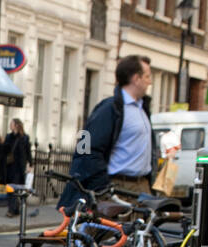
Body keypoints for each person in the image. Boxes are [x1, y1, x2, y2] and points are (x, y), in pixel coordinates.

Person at [58, 55, 158, 212]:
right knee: (106, 235)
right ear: (135, 78)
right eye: (147, 76)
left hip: (141, 188)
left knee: (141, 235)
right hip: (117, 186)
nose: (150, 82)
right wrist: (102, 184)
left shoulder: (142, 109)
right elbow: (85, 147)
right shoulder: (109, 108)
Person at [2, 118, 30, 216]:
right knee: (10, 189)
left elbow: (28, 152)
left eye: (12, 123)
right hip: (9, 167)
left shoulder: (24, 137)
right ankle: (15, 208)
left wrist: (30, 164)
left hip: (19, 168)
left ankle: (11, 210)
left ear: (16, 125)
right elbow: (4, 150)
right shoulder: (9, 137)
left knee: (15, 189)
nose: (10, 125)